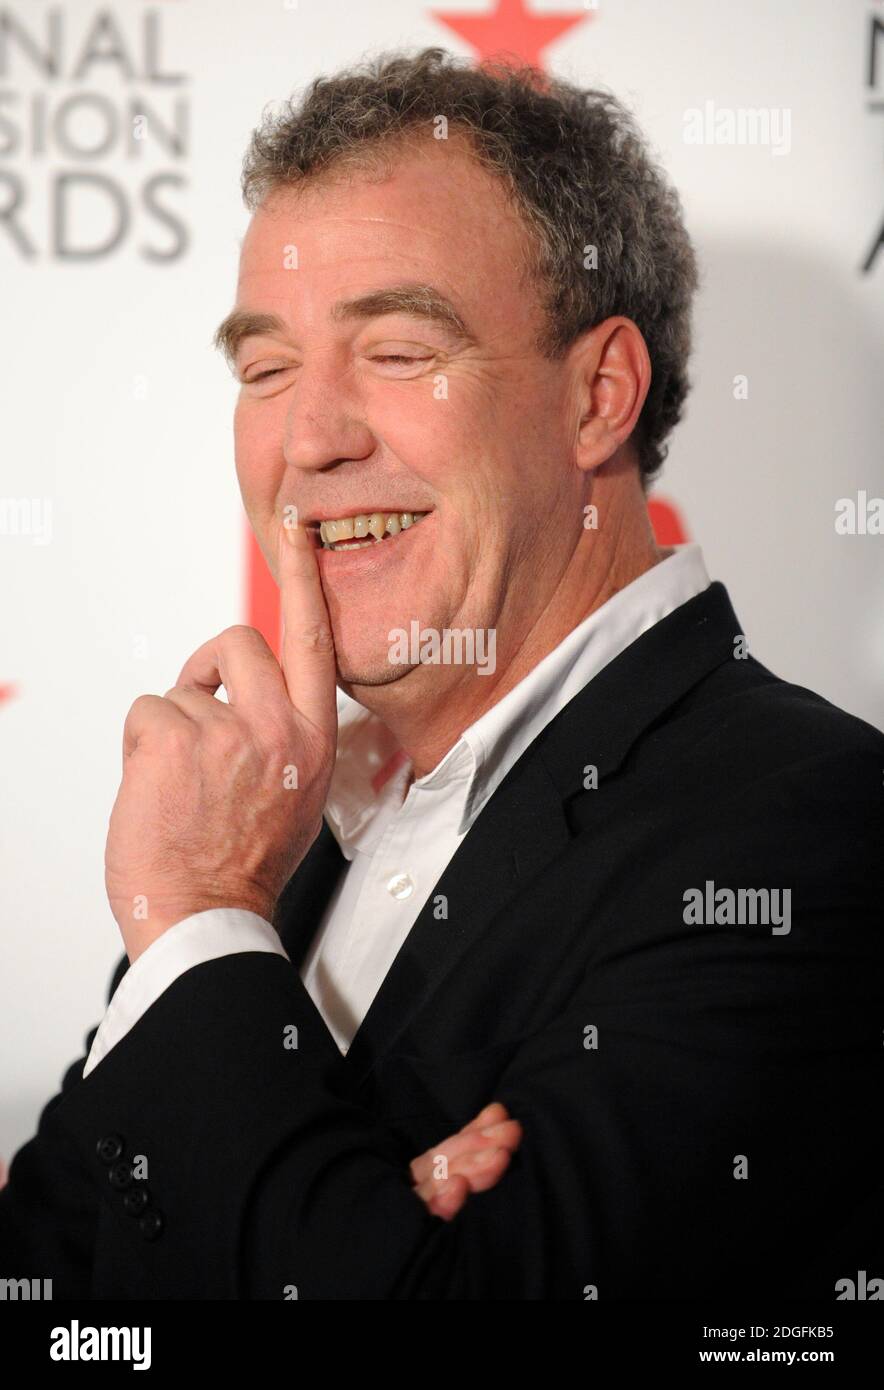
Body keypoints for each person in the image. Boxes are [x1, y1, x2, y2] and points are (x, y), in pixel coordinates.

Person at [2, 48, 881, 1300]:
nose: (309, 439)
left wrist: (195, 916)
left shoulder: (816, 827)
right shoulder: (271, 838)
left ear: (599, 395)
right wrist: (353, 1221)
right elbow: (45, 1295)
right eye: (264, 370)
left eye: (400, 351)